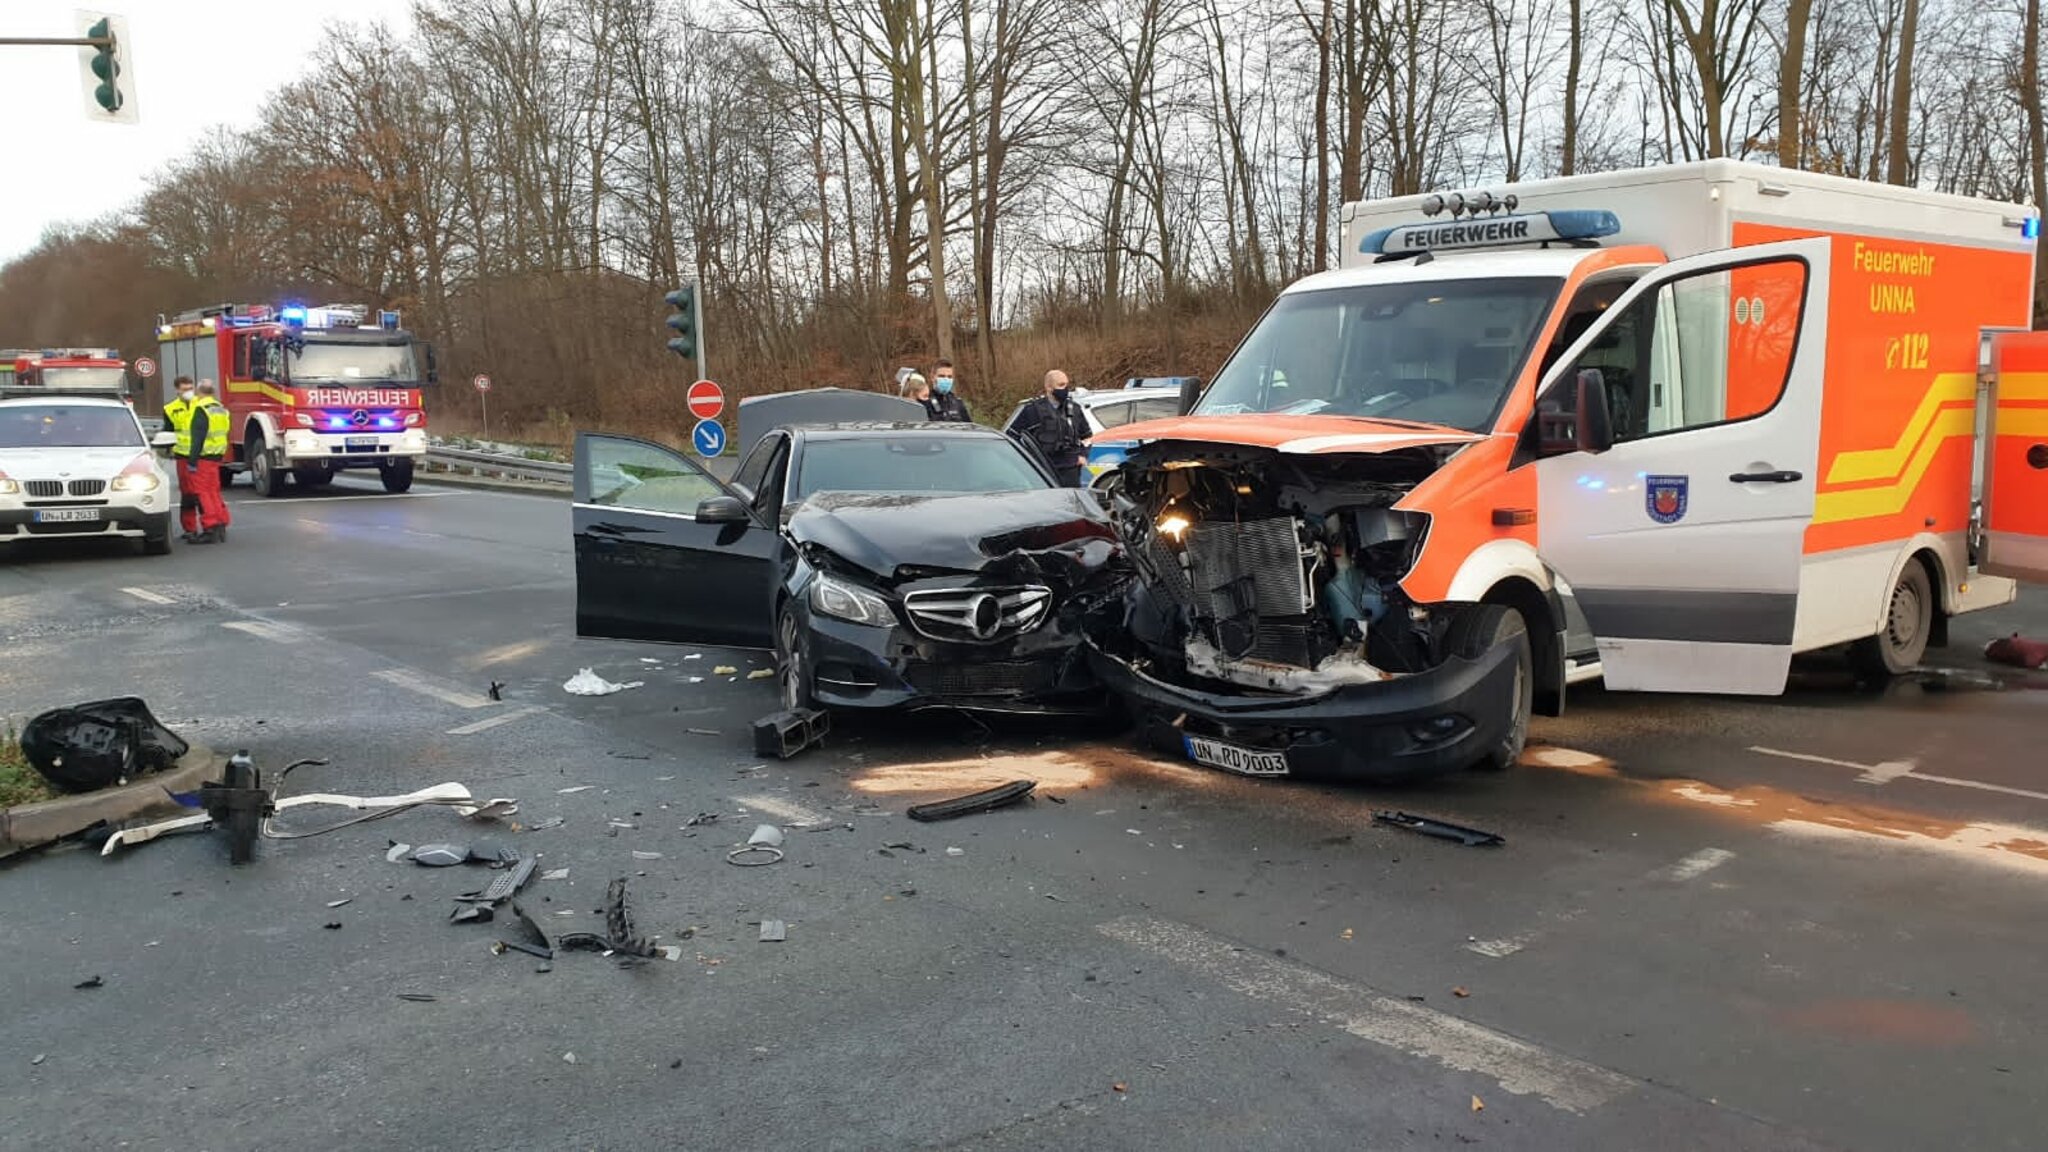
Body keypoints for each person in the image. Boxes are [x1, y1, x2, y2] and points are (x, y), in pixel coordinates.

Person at [1013, 369, 1089, 487]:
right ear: (1048, 387)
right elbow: (1013, 436)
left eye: (1066, 384)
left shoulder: (1075, 409)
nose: (1065, 389)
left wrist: (1083, 455)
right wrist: (1028, 461)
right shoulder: (1032, 410)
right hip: (1042, 471)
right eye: (1061, 385)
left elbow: (1087, 437)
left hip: (1070, 470)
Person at [182, 379, 232, 544]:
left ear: (199, 392)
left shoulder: (201, 410)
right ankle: (220, 524)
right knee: (214, 492)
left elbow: (198, 439)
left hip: (203, 457)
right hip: (216, 457)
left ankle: (210, 527)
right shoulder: (221, 409)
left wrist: (192, 461)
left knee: (203, 493)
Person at [162, 376, 204, 541]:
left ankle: (209, 526)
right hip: (183, 456)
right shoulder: (170, 408)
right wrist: (166, 449)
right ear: (177, 390)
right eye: (184, 389)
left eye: (190, 388)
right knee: (188, 494)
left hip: (201, 454)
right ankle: (190, 528)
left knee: (203, 493)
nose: (188, 392)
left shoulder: (201, 404)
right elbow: (168, 431)